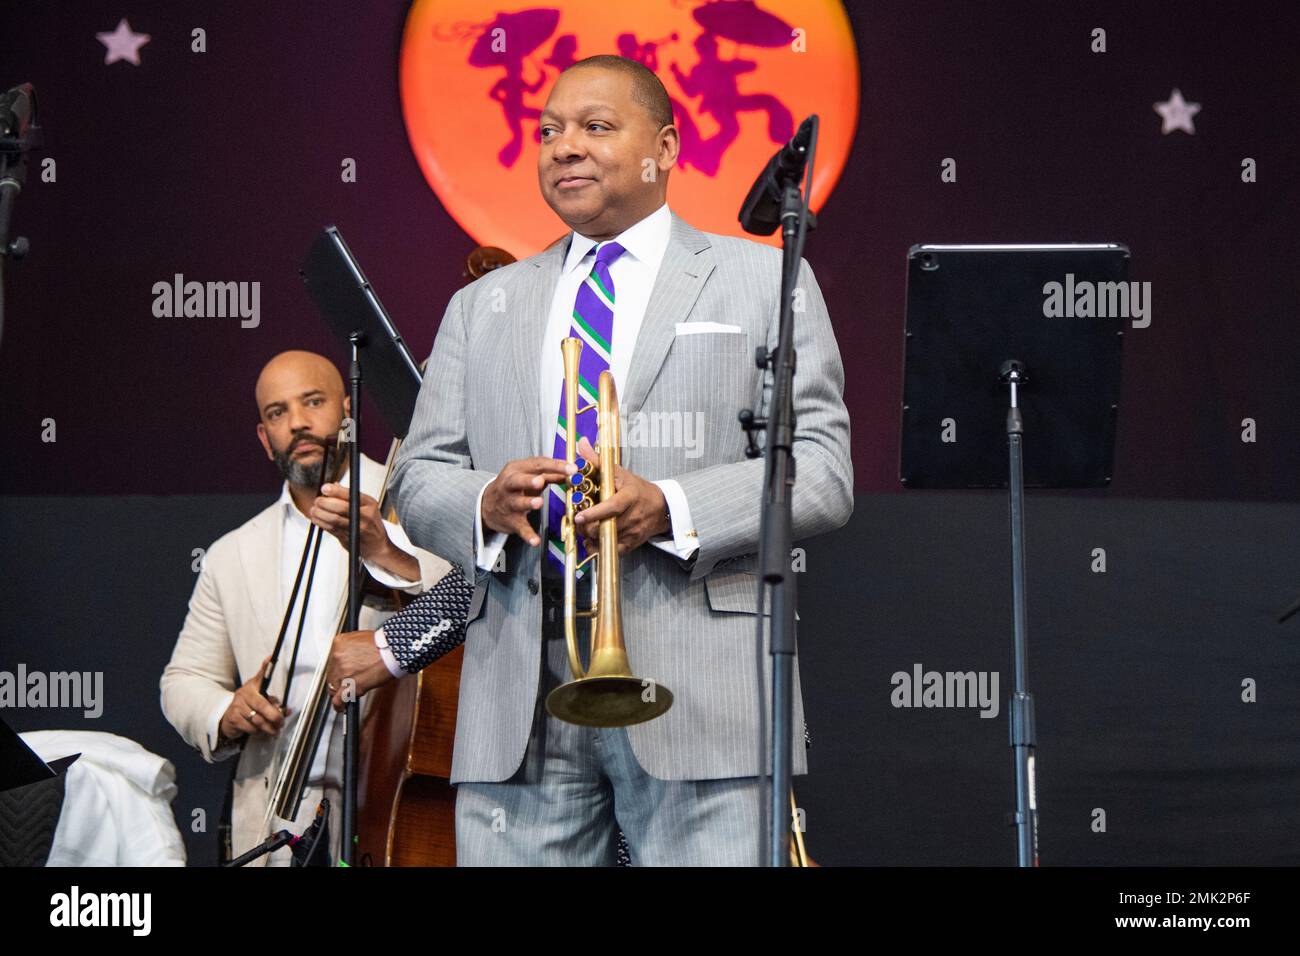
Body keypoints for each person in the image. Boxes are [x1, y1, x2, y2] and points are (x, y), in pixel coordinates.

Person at [326, 54, 852, 865]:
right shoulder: (480, 306)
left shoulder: (761, 280)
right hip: (516, 703)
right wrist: (484, 505)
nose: (565, 146)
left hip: (702, 701)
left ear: (667, 148)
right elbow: (420, 477)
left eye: (596, 127)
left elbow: (819, 471)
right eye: (549, 131)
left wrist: (672, 508)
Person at [160, 350, 449, 865]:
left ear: (346, 408)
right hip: (275, 813)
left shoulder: (411, 499)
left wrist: (387, 553)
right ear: (263, 436)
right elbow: (183, 679)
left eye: (312, 402)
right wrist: (225, 711)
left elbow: (464, 601)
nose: (297, 422)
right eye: (277, 413)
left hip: (390, 794)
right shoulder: (232, 553)